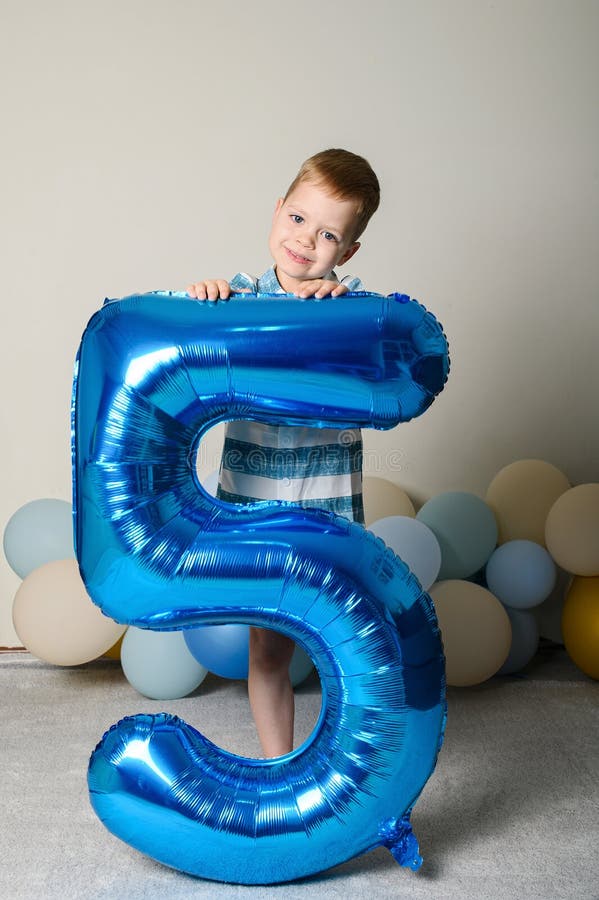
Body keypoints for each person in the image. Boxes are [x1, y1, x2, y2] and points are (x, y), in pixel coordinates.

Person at [187, 148, 380, 758]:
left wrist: (339, 308)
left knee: (344, 641)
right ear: (276, 212)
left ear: (346, 251)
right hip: (255, 506)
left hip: (327, 512)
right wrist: (203, 296)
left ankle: (346, 768)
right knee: (268, 648)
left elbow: (375, 372)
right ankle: (279, 764)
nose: (305, 242)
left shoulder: (348, 308)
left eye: (328, 234)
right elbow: (178, 326)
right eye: (297, 219)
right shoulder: (236, 298)